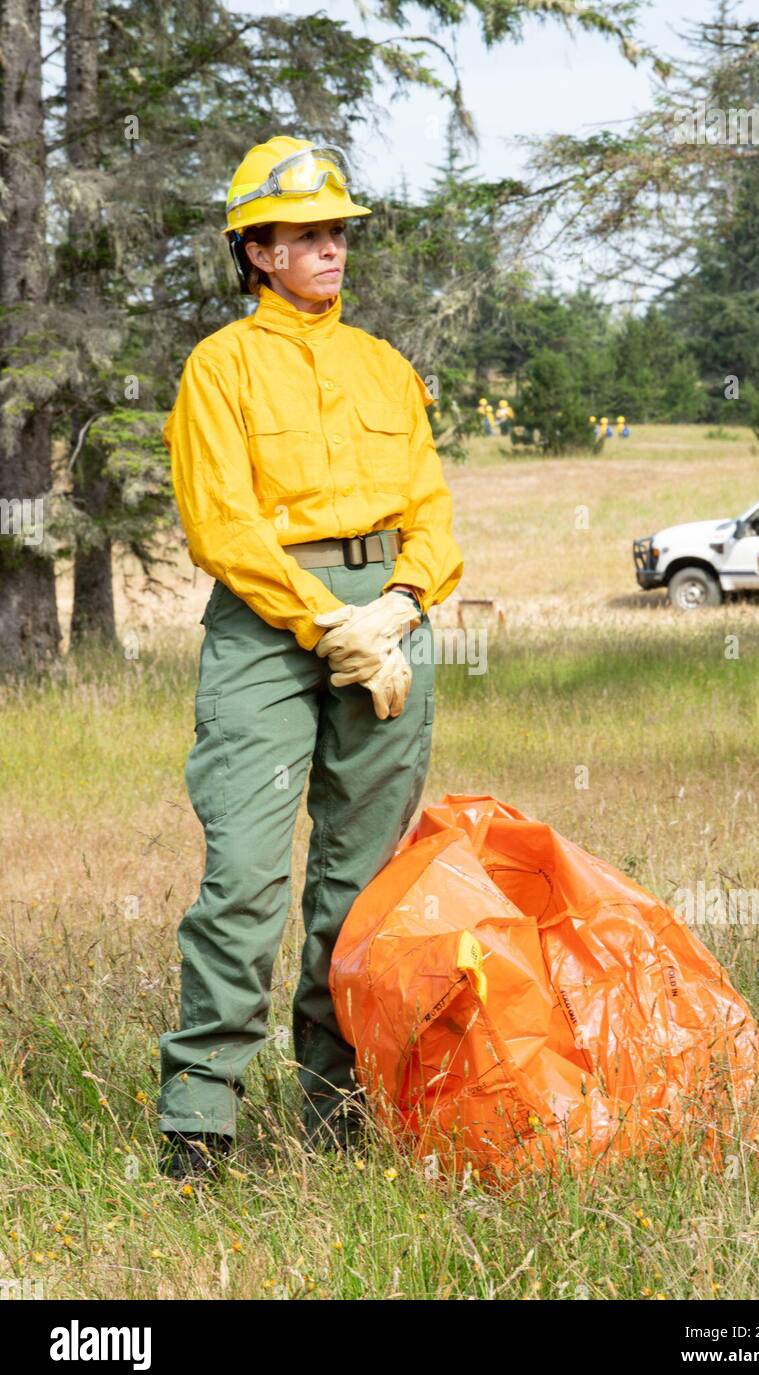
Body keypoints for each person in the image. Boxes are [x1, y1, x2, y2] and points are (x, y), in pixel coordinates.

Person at [157, 135, 463, 1177]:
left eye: (337, 231)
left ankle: (338, 1108)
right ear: (257, 251)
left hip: (387, 615)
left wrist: (398, 605)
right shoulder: (220, 368)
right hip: (265, 622)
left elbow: (430, 511)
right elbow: (222, 526)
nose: (330, 248)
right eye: (306, 234)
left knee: (360, 885)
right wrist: (326, 624)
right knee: (244, 874)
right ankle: (198, 1120)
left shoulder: (384, 366)